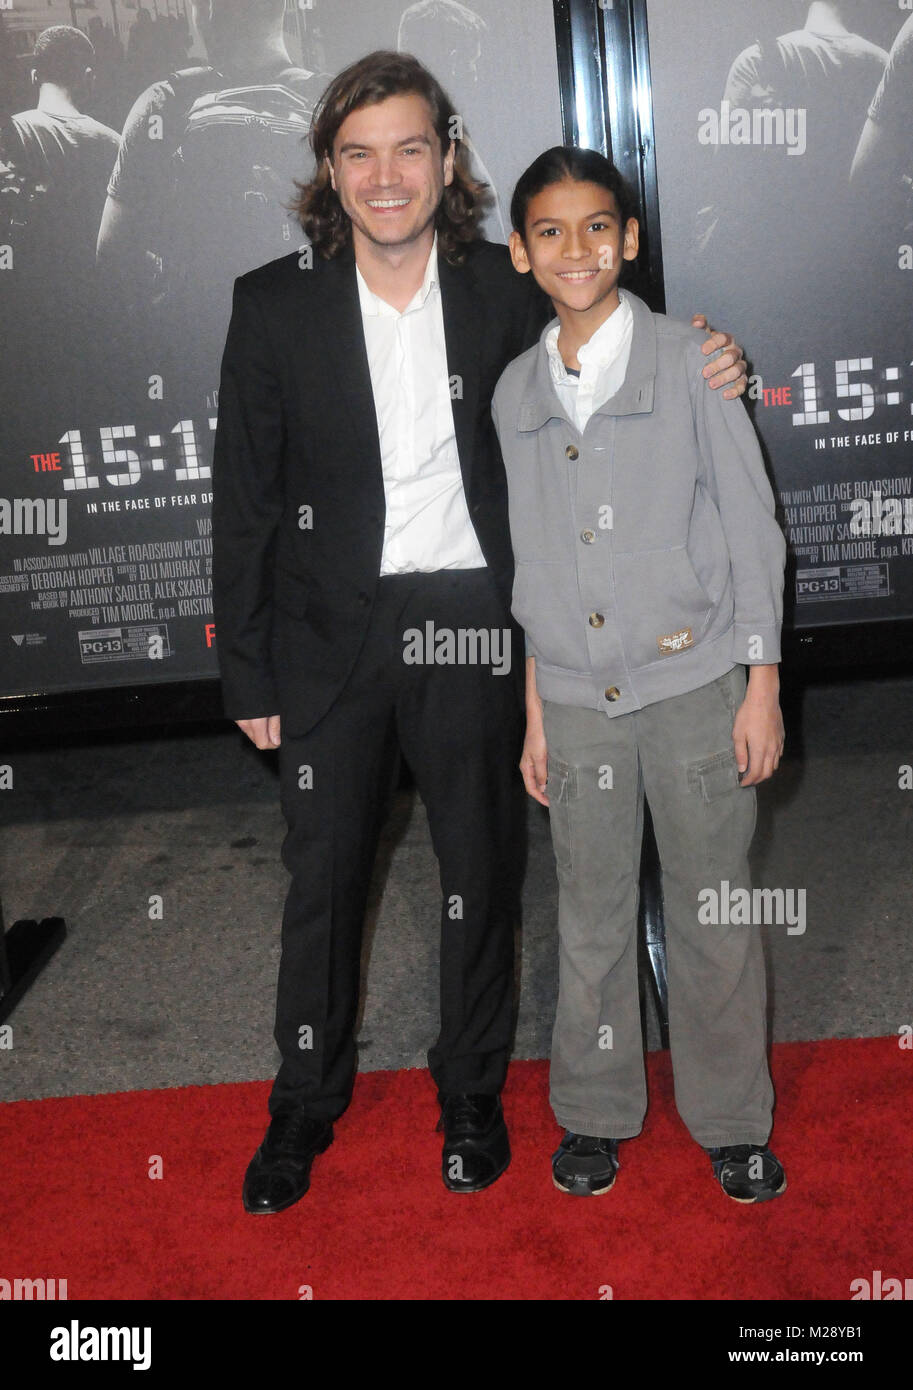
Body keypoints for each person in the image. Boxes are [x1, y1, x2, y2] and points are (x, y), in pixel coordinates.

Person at [211, 50, 750, 1215]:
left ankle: (470, 1096)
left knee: (480, 872)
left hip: (470, 619)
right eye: (358, 153)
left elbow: (610, 334)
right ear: (329, 171)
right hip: (328, 639)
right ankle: (300, 1108)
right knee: (323, 883)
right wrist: (247, 665)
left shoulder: (505, 287)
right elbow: (245, 499)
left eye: (410, 147)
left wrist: (720, 360)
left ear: (447, 156)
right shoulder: (273, 303)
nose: (386, 175)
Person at [492, 146, 788, 1203]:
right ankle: (595, 1111)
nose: (578, 249)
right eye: (552, 232)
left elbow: (752, 529)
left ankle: (730, 1119)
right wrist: (533, 711)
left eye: (598, 227)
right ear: (521, 252)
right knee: (590, 912)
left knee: (714, 908)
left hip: (695, 683)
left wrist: (761, 680)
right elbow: (532, 563)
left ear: (630, 238)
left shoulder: (692, 361)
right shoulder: (515, 391)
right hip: (573, 700)